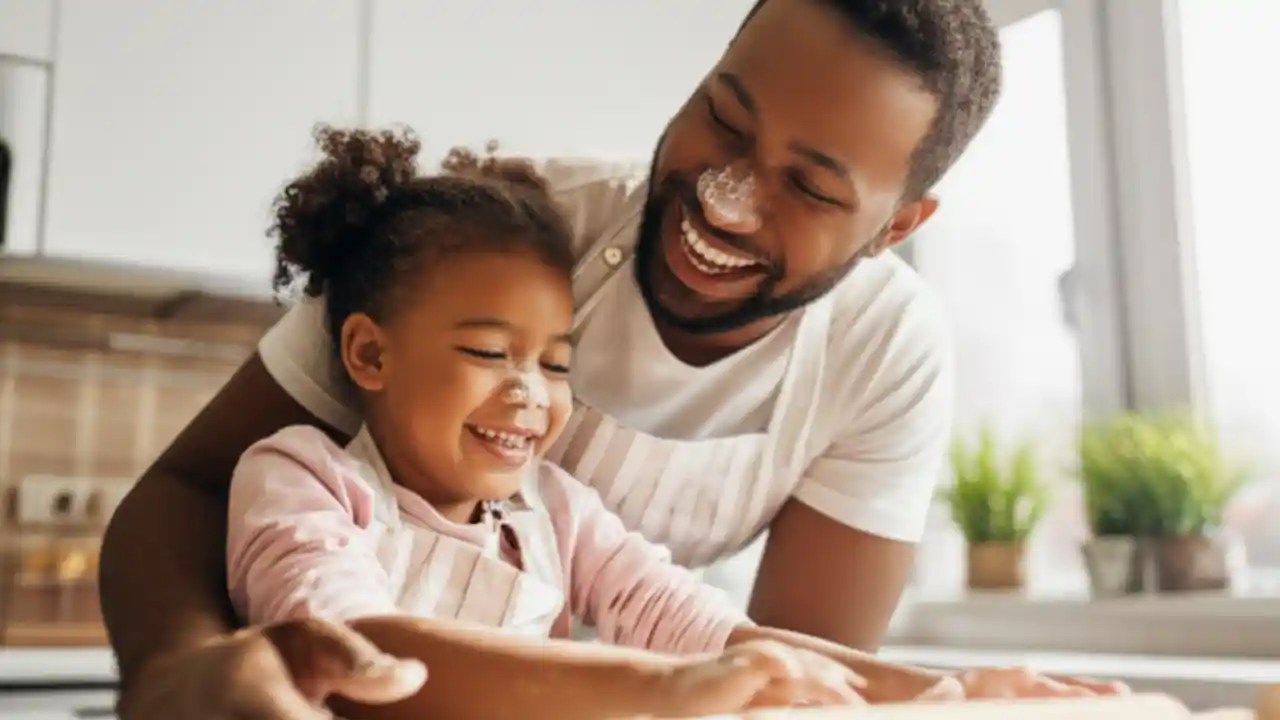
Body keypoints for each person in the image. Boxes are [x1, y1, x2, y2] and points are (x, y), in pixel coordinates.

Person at [101, 1, 1122, 717]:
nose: (725, 197)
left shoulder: (875, 360)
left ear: (895, 225)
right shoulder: (498, 232)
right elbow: (206, 505)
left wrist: (946, 694)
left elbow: (749, 667)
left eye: (809, 189)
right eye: (723, 116)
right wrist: (177, 674)